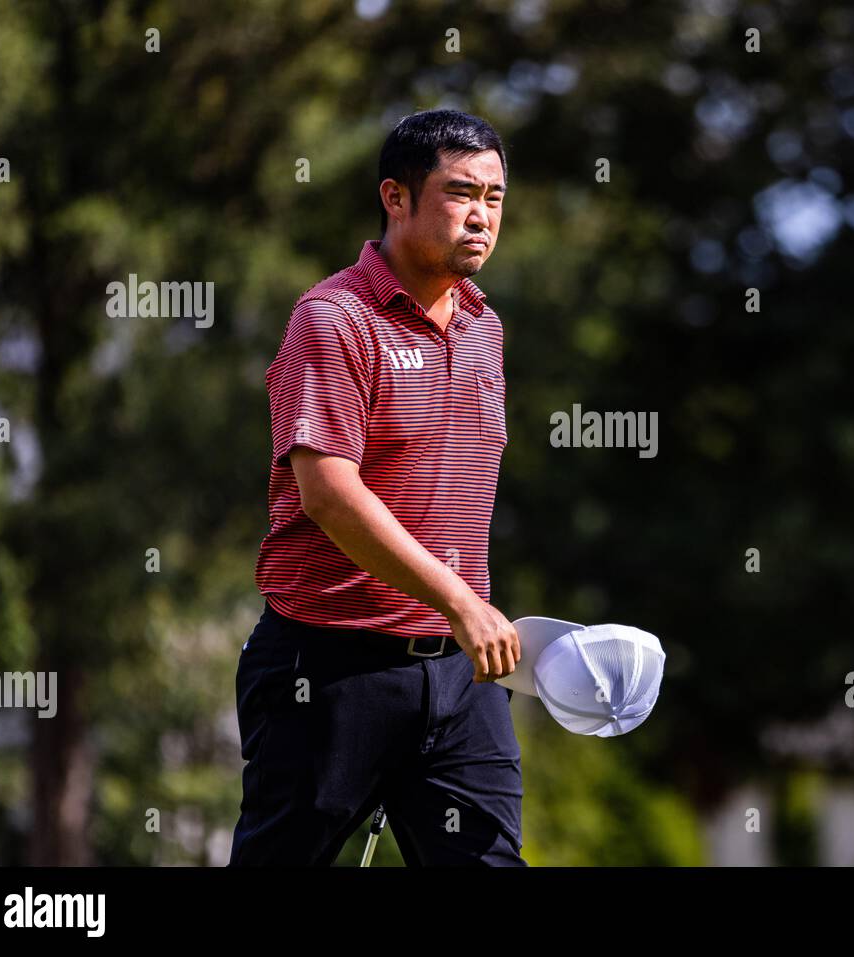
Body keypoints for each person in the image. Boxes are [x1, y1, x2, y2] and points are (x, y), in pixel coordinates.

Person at [228, 108, 526, 866]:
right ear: (395, 197)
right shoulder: (332, 319)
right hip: (327, 670)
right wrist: (462, 600)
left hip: (459, 681)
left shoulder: (485, 328)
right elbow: (329, 494)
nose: (481, 216)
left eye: (494, 197)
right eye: (461, 193)